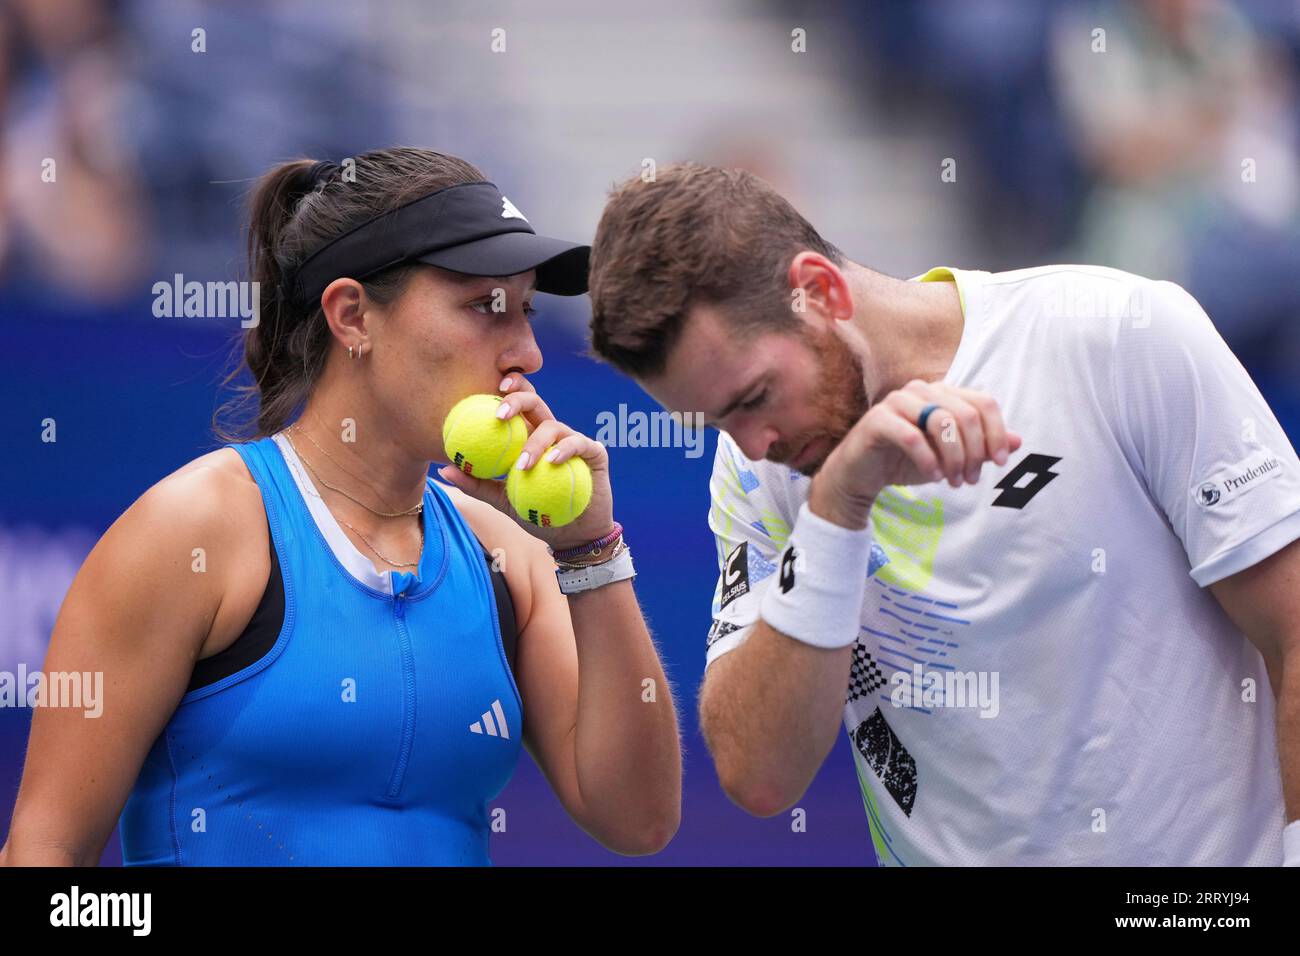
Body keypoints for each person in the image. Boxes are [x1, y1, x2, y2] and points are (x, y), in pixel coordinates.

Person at [584, 161, 1299, 866]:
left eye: (754, 397)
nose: (753, 444)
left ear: (820, 290)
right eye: (716, 424)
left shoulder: (1117, 332)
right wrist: (836, 512)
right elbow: (759, 775)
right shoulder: (759, 468)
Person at [0, 146, 680, 866]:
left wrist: (588, 548)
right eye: (486, 307)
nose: (528, 353)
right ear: (352, 316)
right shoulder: (191, 531)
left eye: (526, 310)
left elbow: (639, 822)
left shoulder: (510, 556)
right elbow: (44, 860)